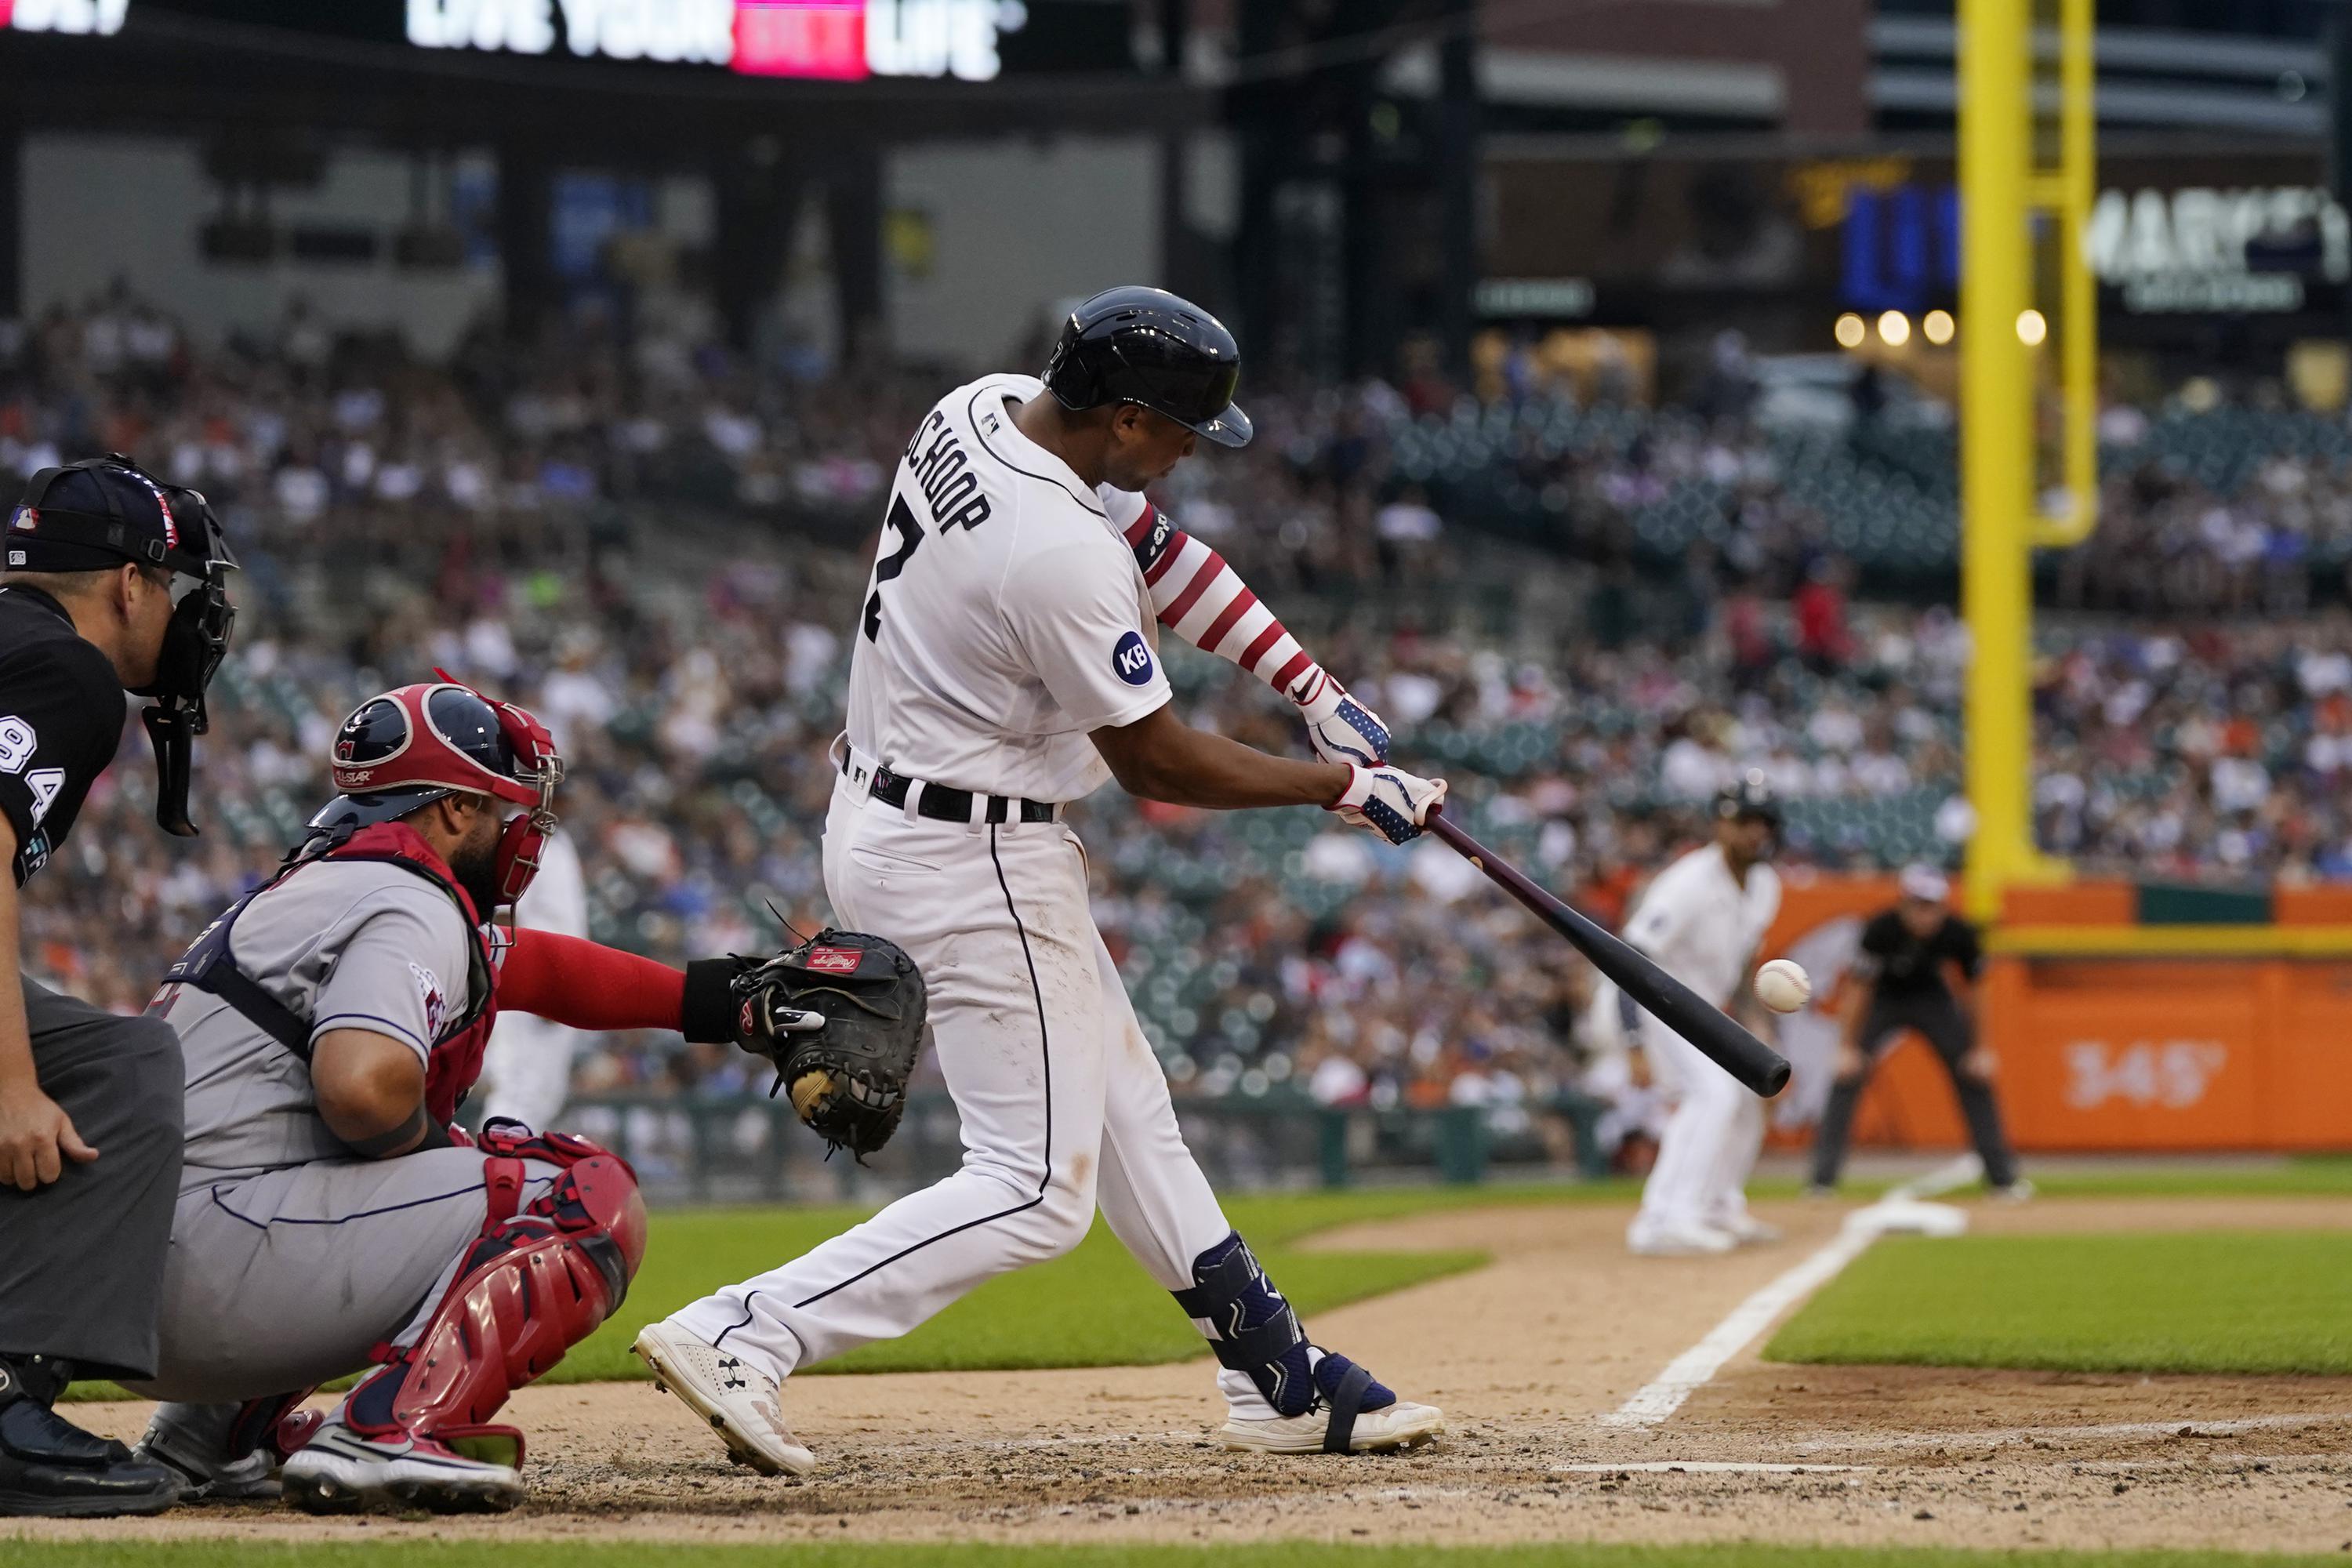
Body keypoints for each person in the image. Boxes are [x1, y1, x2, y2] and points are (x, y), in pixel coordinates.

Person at [634, 285, 1448, 1472]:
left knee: (1126, 1113)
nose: (1181, 456)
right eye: (1173, 430)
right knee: (1033, 1190)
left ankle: (1273, 1373)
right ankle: (744, 1330)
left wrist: (1312, 689)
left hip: (893, 810)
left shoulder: (978, 409)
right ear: (1119, 418)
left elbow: (1162, 553)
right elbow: (1159, 759)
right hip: (975, 854)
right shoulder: (1054, 550)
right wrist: (1336, 787)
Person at [122, 678, 842, 1515]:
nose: (520, 832)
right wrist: (447, 1163)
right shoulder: (410, 892)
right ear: (456, 810)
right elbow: (359, 1089)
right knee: (575, 1195)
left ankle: (209, 1434)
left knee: (387, 1173)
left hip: (142, 1274)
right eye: (503, 808)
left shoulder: (329, 884)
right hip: (214, 1269)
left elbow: (533, 966)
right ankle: (389, 1430)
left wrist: (734, 1001)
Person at [0, 455, 236, 1518]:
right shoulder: (69, 670)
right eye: (178, 589)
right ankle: (8, 1401)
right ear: (129, 585)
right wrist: (10, 1083)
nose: (187, 616)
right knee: (121, 1064)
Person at [1621, 771, 1784, 1257]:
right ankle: (1662, 1219)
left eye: (1763, 822)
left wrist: (1760, 1031)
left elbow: (1742, 969)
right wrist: (1633, 1043)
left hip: (1702, 1011)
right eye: (1744, 820)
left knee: (1748, 1095)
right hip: (1653, 1002)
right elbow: (1631, 954)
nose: (1754, 832)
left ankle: (1716, 1206)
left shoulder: (1765, 885)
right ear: (1721, 824)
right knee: (1710, 1093)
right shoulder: (1688, 881)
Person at [1808, 863, 2027, 1198]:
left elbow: (1977, 991)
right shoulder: (1881, 929)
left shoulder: (1958, 933)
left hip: (1932, 999)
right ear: (1904, 903)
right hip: (1885, 999)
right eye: (1919, 905)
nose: (1926, 915)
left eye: (1933, 906)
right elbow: (1859, 988)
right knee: (1846, 1076)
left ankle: (2003, 1180)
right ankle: (1821, 1181)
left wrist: (1981, 1048)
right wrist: (1847, 1046)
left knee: (1974, 1075)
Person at [478, 827, 590, 1129]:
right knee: (518, 1091)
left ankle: (508, 1168)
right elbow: (502, 918)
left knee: (544, 1095)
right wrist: (536, 989)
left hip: (562, 976)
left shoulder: (560, 839)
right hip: (534, 983)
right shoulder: (519, 834)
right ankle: (492, 1169)